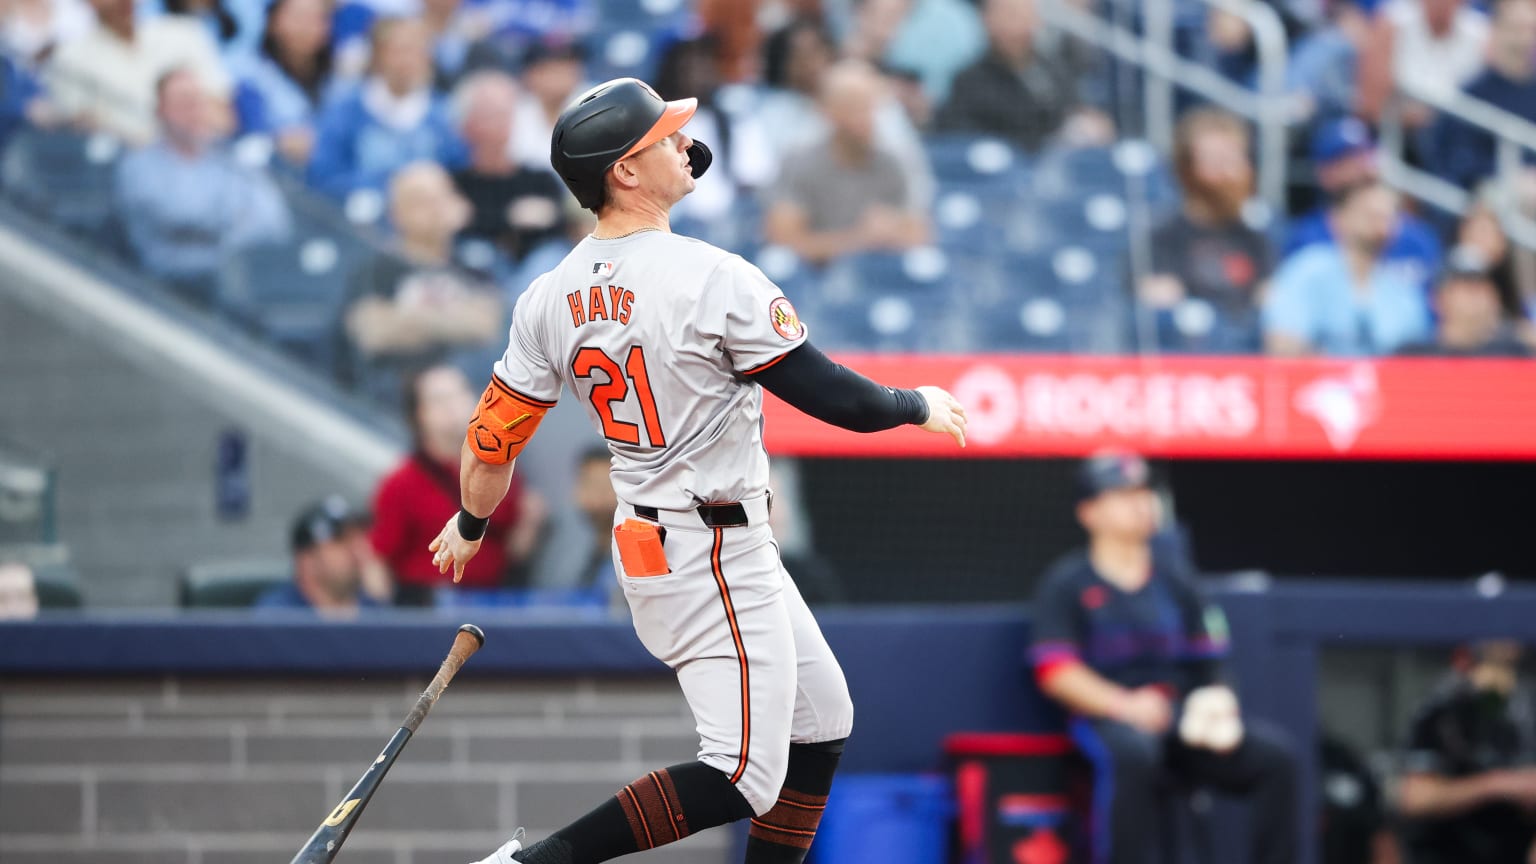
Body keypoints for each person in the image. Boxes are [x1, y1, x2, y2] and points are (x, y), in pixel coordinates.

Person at [426, 76, 968, 864]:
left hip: (663, 539)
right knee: (743, 773)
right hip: (709, 545)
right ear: (624, 171)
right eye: (663, 137)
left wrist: (472, 522)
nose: (684, 140)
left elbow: (488, 444)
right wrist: (913, 404)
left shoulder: (547, 294)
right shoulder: (714, 276)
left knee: (821, 723)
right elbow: (832, 397)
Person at [1031, 452, 1298, 864]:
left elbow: (1211, 658)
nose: (1140, 503)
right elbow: (1056, 672)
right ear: (1089, 512)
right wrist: (1125, 706)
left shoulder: (1177, 580)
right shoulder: (1066, 583)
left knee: (1277, 759)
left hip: (1180, 722)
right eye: (1122, 494)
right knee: (1134, 757)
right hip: (1107, 721)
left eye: (1143, 492)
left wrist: (1216, 703)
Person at [371, 364, 544, 606]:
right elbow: (377, 560)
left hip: (491, 603)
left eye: (460, 393)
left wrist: (529, 524)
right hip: (428, 607)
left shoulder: (500, 468)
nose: (453, 406)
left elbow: (512, 549)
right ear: (419, 414)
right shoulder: (401, 482)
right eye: (440, 400)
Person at [115, 68, 292, 298]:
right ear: (161, 111)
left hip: (231, 274)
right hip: (164, 283)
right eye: (184, 103)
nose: (194, 112)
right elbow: (177, 217)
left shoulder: (228, 157)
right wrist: (230, 225)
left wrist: (224, 237)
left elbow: (274, 218)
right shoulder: (139, 164)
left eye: (199, 102)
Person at [342, 161, 504, 394]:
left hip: (468, 399)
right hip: (392, 397)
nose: (435, 208)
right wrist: (456, 319)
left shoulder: (474, 266)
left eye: (442, 198)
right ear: (396, 213)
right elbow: (373, 334)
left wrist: (408, 316)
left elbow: (487, 329)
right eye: (421, 201)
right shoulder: (374, 268)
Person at [763, 59, 930, 265]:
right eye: (854, 108)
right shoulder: (799, 163)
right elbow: (783, 240)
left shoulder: (891, 163)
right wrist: (859, 238)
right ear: (829, 112)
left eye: (870, 107)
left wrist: (893, 230)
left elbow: (919, 235)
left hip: (873, 280)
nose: (866, 119)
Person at [756, 17, 933, 208]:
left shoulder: (877, 99)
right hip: (808, 219)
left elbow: (912, 175)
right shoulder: (773, 115)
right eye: (798, 57)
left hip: (876, 211)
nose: (810, 65)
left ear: (830, 51)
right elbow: (772, 189)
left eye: (816, 51)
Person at [1399, 641, 1536, 864]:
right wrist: (1500, 784)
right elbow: (1416, 797)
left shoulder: (1528, 698)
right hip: (1447, 852)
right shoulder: (1444, 704)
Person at [1139, 108, 1274, 330]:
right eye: (1218, 161)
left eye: (1236, 158)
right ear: (1186, 169)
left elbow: (1271, 300)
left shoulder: (1257, 237)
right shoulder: (1163, 236)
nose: (1232, 172)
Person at [1265, 180, 1432, 356]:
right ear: (1338, 218)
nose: (1379, 224)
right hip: (1318, 381)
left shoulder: (1403, 291)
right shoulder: (1307, 269)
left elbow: (1415, 361)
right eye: (1369, 213)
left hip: (1386, 382)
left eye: (1387, 216)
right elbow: (1283, 346)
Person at [307, 17, 466, 199]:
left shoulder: (444, 115)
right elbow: (323, 177)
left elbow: (458, 176)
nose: (407, 61)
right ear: (377, 56)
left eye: (416, 51)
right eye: (398, 51)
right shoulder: (345, 111)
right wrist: (387, 185)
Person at [42, 0, 232, 145]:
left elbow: (222, 113)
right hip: (121, 177)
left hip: (201, 158)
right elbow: (82, 127)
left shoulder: (185, 32)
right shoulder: (69, 58)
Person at [1286, 117, 1442, 290]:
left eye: (1363, 156)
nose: (1360, 169)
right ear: (1325, 173)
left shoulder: (1416, 237)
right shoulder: (1307, 237)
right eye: (1346, 162)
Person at [936, 0, 1103, 152]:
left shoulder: (1054, 69)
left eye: (1023, 15)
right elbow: (961, 140)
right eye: (1009, 15)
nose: (1017, 26)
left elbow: (1075, 110)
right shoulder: (969, 82)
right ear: (987, 21)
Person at [450, 70, 568, 263]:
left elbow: (559, 224)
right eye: (492, 115)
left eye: (508, 113)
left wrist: (478, 217)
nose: (504, 123)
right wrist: (512, 216)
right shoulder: (453, 184)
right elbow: (451, 223)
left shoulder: (540, 179)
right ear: (467, 124)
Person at [1430, 0, 1536, 191]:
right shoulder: (1473, 93)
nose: (1524, 39)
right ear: (1496, 28)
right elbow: (1460, 162)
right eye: (1516, 29)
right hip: (1488, 194)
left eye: (1530, 29)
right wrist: (1514, 178)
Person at [231, 0, 339, 167]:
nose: (305, 27)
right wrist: (277, 142)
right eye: (298, 17)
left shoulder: (341, 81)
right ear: (273, 21)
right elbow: (249, 139)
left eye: (316, 18)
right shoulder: (250, 76)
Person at [1358, 0, 1488, 131]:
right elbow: (1371, 105)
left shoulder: (1482, 34)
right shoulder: (1393, 22)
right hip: (1399, 134)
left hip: (1455, 137)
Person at [255, 498, 384, 615]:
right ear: (307, 559)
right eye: (342, 541)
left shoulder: (375, 612)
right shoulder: (277, 619)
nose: (357, 552)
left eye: (360, 540)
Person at [1397, 247, 1534, 357]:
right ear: (1437, 299)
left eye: (1482, 286)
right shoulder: (1413, 355)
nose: (1476, 294)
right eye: (1466, 285)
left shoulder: (1512, 353)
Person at [508, 39, 586, 175]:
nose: (562, 76)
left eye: (568, 67)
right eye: (551, 69)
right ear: (530, 74)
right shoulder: (513, 111)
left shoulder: (594, 105)